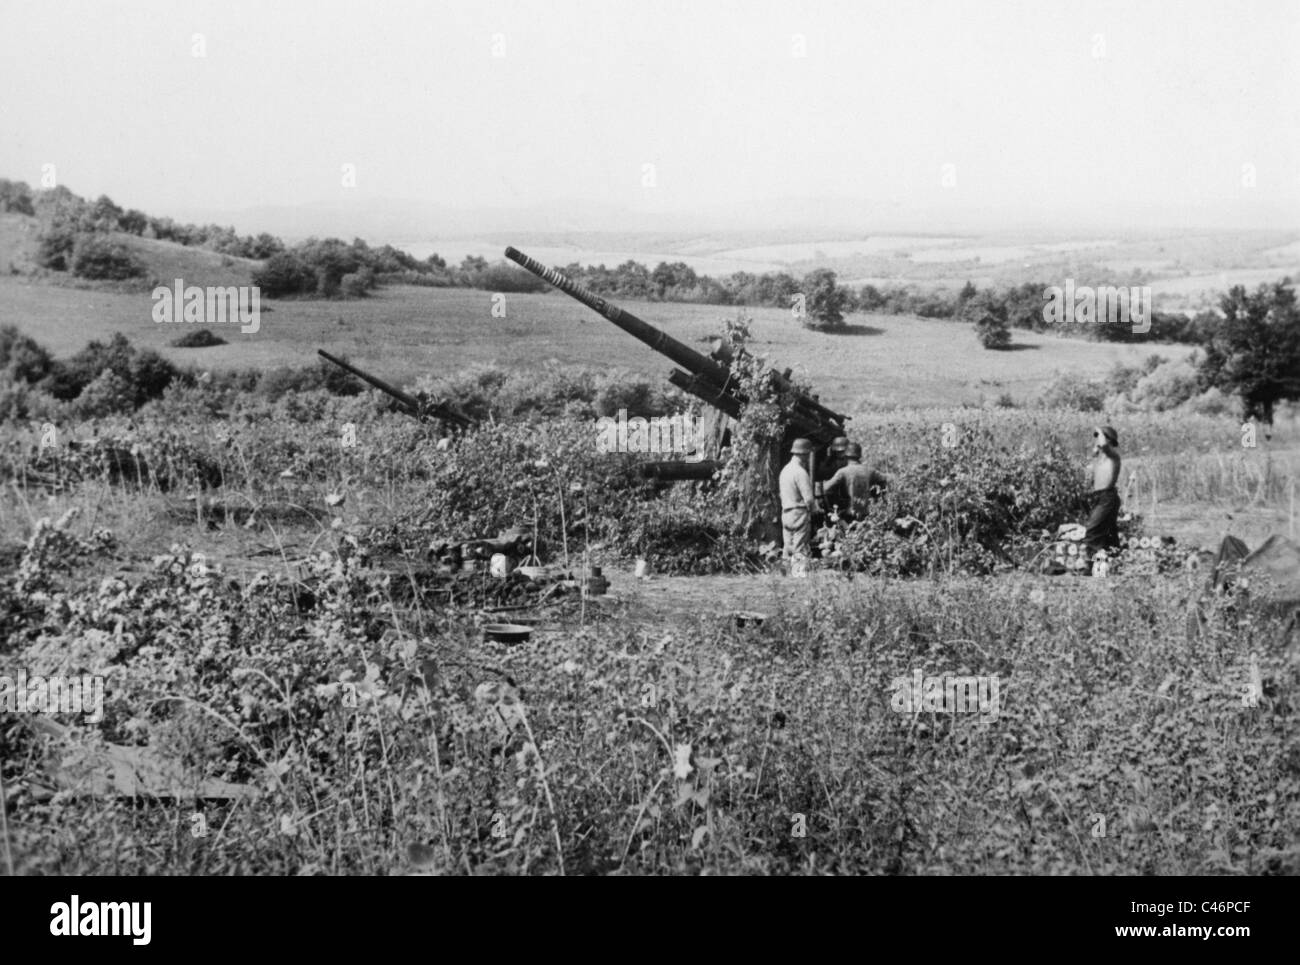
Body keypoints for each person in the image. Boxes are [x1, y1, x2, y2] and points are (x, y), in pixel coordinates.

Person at [1084, 425, 1122, 564]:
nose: (1097, 441)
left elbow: (1104, 445)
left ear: (1109, 440)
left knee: (1092, 531)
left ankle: (1092, 567)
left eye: (1100, 438)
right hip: (1100, 498)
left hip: (1108, 498)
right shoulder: (1100, 459)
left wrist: (1099, 430)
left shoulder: (1113, 456)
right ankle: (1112, 568)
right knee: (1108, 537)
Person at [824, 442, 887, 520]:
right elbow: (887, 479)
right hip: (868, 511)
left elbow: (826, 488)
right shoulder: (870, 470)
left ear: (846, 456)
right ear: (859, 455)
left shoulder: (843, 471)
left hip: (849, 512)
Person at [779, 438, 817, 561]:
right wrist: (813, 510)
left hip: (786, 512)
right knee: (799, 549)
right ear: (805, 454)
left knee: (788, 548)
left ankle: (784, 576)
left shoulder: (785, 470)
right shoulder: (800, 472)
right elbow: (809, 499)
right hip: (799, 513)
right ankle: (798, 576)